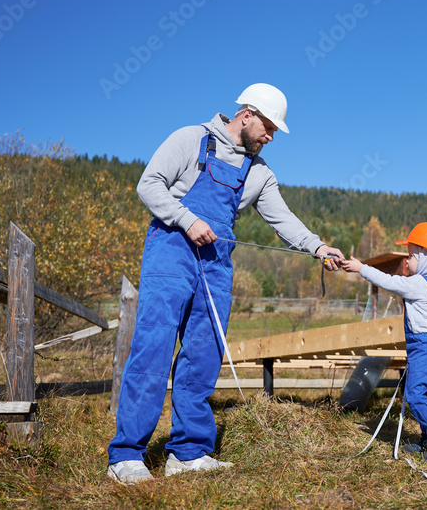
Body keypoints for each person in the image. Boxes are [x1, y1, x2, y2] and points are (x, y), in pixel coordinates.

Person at [107, 83, 344, 484]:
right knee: (154, 345)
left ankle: (189, 452)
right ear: (247, 114)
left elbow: (283, 220)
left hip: (216, 262)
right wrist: (187, 219)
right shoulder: (190, 139)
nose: (270, 137)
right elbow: (148, 185)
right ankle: (126, 456)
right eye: (268, 128)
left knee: (204, 351)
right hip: (171, 250)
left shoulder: (260, 173)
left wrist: (318, 247)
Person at [340, 222, 427, 462]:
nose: (407, 262)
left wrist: (361, 268)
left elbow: (390, 282)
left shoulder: (419, 284)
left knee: (416, 395)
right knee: (425, 393)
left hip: (424, 347)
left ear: (426, 258)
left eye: (411, 256)